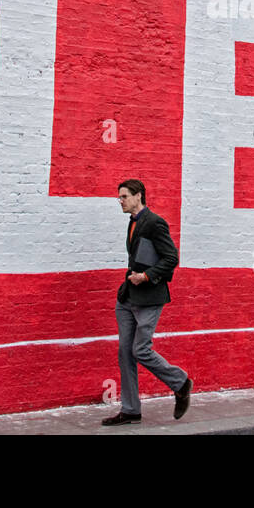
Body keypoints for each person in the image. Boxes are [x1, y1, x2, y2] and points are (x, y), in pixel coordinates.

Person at [102, 179, 193, 426]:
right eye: (118, 197)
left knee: (140, 349)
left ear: (138, 196)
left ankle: (180, 382)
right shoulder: (133, 223)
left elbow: (171, 258)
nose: (119, 201)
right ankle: (131, 410)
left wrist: (146, 276)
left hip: (149, 298)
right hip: (128, 297)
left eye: (123, 196)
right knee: (125, 353)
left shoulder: (154, 223)